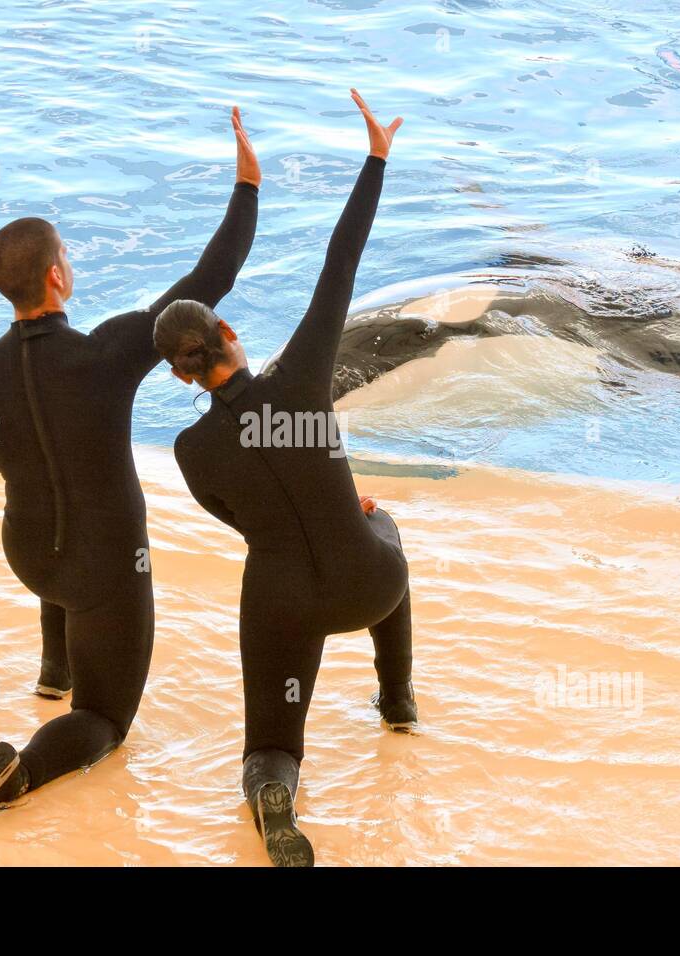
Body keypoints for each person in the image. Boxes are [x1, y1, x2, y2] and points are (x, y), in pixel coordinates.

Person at [0, 108, 261, 827]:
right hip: (104, 566)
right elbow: (210, 280)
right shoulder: (110, 352)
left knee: (44, 482)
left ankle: (52, 670)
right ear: (58, 276)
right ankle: (19, 771)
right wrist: (248, 183)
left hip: (30, 555)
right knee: (105, 718)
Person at [153, 91, 414, 867]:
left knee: (271, 740)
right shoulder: (302, 376)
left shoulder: (189, 452)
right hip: (369, 582)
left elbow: (240, 517)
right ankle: (397, 703)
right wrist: (375, 157)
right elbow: (342, 260)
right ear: (229, 333)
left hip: (282, 607)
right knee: (384, 526)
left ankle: (274, 794)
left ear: (179, 374)